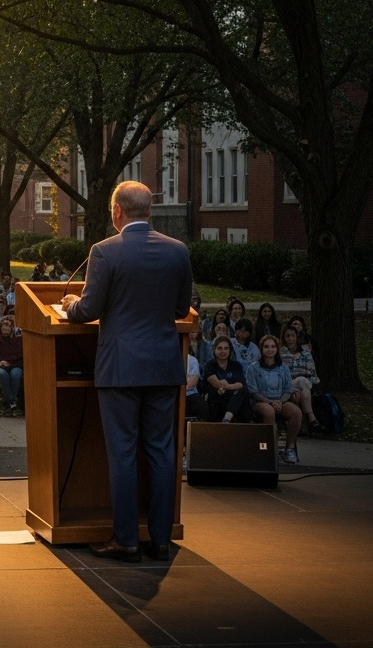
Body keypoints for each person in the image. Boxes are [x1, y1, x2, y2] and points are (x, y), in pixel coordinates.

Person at [61, 181, 192, 563]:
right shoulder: (178, 251)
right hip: (164, 364)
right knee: (162, 453)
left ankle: (125, 540)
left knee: (122, 453)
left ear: (117, 211)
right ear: (148, 211)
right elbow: (182, 309)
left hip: (121, 367)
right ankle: (162, 541)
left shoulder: (105, 251)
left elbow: (87, 311)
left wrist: (71, 303)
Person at [245, 334, 302, 464]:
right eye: (266, 347)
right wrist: (270, 402)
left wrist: (279, 402)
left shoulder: (283, 368)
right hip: (260, 402)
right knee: (269, 411)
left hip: (280, 400)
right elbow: (253, 391)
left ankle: (289, 448)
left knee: (296, 412)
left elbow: (288, 389)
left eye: (272, 346)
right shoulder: (253, 368)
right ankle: (270, 449)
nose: (269, 349)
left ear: (277, 349)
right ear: (261, 349)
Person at [280, 327, 323, 433]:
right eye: (287, 336)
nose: (290, 339)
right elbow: (280, 375)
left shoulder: (306, 354)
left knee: (302, 384)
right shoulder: (281, 355)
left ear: (297, 338)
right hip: (289, 384)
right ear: (284, 339)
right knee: (298, 391)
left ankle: (299, 425)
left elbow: (312, 374)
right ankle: (310, 418)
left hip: (306, 383)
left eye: (292, 336)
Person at [199, 337, 251, 423]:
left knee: (243, 391)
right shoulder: (208, 365)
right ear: (213, 349)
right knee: (217, 392)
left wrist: (225, 386)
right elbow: (216, 384)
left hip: (234, 397)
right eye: (219, 348)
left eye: (226, 348)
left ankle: (227, 418)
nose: (223, 351)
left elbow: (240, 384)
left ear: (230, 350)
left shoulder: (236, 365)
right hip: (216, 398)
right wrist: (229, 386)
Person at [0, 316, 24, 412]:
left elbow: (19, 355)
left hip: (14, 365)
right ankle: (11, 400)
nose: (5, 328)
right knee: (2, 374)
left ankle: (11, 402)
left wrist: (9, 363)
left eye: (8, 326)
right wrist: (0, 362)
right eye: (3, 325)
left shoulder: (17, 341)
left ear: (12, 328)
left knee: (16, 374)